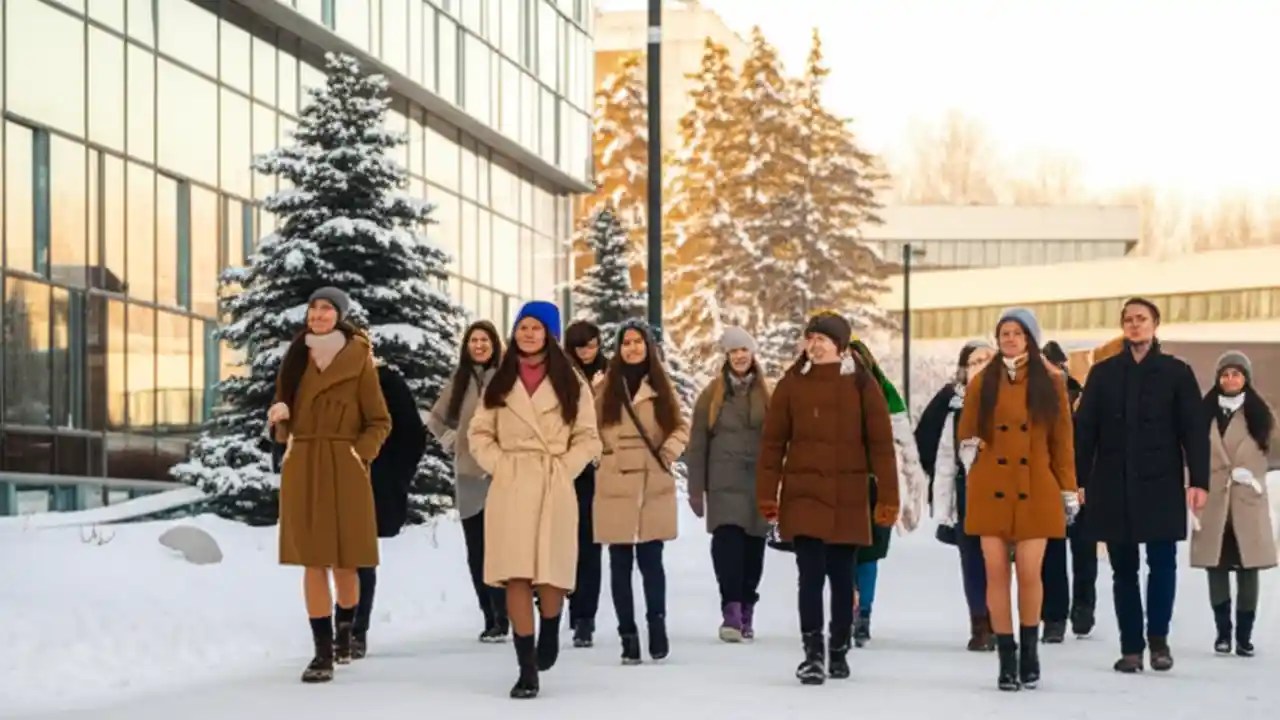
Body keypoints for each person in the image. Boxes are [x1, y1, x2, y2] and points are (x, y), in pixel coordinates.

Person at [467, 301, 601, 699]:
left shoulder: (571, 381)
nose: (528, 334)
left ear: (550, 334)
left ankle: (552, 626)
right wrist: (500, 464)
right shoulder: (500, 381)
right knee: (516, 572)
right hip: (510, 484)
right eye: (522, 327)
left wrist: (564, 467)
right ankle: (527, 668)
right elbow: (479, 433)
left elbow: (589, 436)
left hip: (553, 480)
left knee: (550, 569)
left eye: (536, 327)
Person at [756, 311, 899, 686]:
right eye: (811, 338)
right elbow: (772, 444)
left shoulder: (861, 385)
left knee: (841, 576)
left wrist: (888, 497)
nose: (815, 344)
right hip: (803, 493)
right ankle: (812, 654)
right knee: (809, 577)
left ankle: (838, 649)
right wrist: (767, 494)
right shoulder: (791, 384)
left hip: (848, 493)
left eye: (823, 339)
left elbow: (882, 446)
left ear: (841, 345)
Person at [1074, 297, 1209, 673]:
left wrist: (1198, 480)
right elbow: (1085, 431)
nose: (1135, 325)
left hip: (1161, 482)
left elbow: (1194, 431)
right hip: (1112, 484)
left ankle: (1159, 641)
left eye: (1142, 319)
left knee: (1163, 564)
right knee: (1123, 570)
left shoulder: (1176, 372)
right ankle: (1131, 647)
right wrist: (1079, 479)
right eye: (1129, 320)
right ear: (1123, 327)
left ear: (1155, 324)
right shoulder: (1103, 374)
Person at [268, 287, 391, 683]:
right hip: (303, 463)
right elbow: (283, 413)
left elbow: (379, 420)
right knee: (312, 559)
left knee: (345, 562)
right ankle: (321, 652)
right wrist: (281, 419)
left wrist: (361, 453)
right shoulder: (295, 357)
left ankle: (345, 632)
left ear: (339, 315)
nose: (318, 315)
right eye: (313, 308)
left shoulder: (359, 360)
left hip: (345, 464)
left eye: (326, 309)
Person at [956, 308, 1077, 691]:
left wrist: (1068, 489)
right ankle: (1006, 659)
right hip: (991, 485)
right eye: (1004, 333)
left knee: (1029, 572)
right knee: (995, 572)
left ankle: (1030, 651)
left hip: (1035, 485)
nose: (1009, 339)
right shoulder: (982, 381)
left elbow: (1062, 440)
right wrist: (970, 455)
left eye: (1017, 333)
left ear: (1030, 338)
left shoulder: (1052, 381)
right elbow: (966, 430)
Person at [595, 319, 690, 664]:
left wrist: (668, 452)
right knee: (619, 563)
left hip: (653, 482)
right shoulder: (606, 388)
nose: (632, 348)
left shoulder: (662, 386)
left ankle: (657, 625)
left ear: (648, 347)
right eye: (626, 343)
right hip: (616, 482)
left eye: (638, 342)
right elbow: (588, 428)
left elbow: (682, 426)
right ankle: (628, 635)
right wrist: (605, 455)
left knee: (652, 562)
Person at [686, 326, 771, 642]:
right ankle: (731, 611)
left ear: (752, 354)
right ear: (727, 356)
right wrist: (697, 489)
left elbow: (779, 440)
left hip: (757, 483)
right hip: (723, 483)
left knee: (753, 549)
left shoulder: (767, 393)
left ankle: (747, 606)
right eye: (734, 352)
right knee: (727, 547)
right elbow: (697, 444)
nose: (739, 357)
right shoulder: (712, 395)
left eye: (744, 351)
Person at [1190, 351, 1276, 657]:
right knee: (1217, 565)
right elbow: (1191, 454)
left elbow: (1272, 454)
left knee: (1248, 567)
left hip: (1246, 499)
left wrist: (1253, 475)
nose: (1230, 380)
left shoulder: (1260, 414)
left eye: (1236, 374)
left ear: (1246, 379)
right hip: (1213, 499)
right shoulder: (1203, 413)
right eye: (1225, 375)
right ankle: (1223, 632)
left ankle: (1244, 635)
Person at [845, 338, 929, 648]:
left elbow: (905, 444)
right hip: (841, 484)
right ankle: (847, 609)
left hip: (877, 485)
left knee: (868, 556)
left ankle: (863, 613)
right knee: (842, 553)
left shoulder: (886, 394)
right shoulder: (830, 393)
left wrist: (911, 485)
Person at [915, 339, 997, 652]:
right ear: (964, 369)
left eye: (989, 360)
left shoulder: (1010, 396)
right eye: (976, 362)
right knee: (972, 557)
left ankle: (1000, 620)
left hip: (1005, 489)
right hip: (966, 488)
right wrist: (937, 477)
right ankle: (980, 623)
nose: (983, 367)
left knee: (999, 558)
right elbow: (925, 437)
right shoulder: (951, 400)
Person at [427, 320, 506, 642]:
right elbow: (435, 417)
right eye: (474, 340)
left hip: (502, 474)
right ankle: (489, 615)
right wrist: (451, 439)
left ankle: (505, 615)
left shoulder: (506, 378)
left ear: (494, 344)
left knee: (501, 548)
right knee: (477, 550)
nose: (479, 345)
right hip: (469, 474)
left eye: (485, 339)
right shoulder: (458, 381)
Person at [1037, 340, 1097, 642]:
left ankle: (1084, 607)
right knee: (1052, 553)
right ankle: (1054, 616)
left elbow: (1092, 445)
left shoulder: (1083, 400)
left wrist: (1084, 482)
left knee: (1084, 552)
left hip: (1081, 484)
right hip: (1046, 487)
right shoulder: (1034, 401)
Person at [563, 320, 608, 647]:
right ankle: (569, 604)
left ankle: (585, 618)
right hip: (570, 466)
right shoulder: (561, 376)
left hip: (603, 468)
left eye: (592, 345)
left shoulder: (612, 373)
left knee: (592, 543)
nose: (588, 352)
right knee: (567, 540)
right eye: (581, 347)